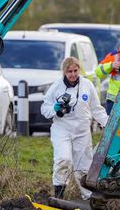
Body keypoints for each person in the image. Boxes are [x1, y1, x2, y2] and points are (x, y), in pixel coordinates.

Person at [41, 56, 108, 199]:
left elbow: (96, 108)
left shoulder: (87, 85)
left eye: (75, 70)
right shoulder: (56, 87)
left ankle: (88, 198)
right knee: (63, 160)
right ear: (64, 72)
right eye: (69, 71)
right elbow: (45, 109)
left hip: (82, 131)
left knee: (84, 167)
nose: (72, 74)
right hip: (62, 129)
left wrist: (107, 123)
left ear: (79, 70)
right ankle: (59, 195)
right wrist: (54, 108)